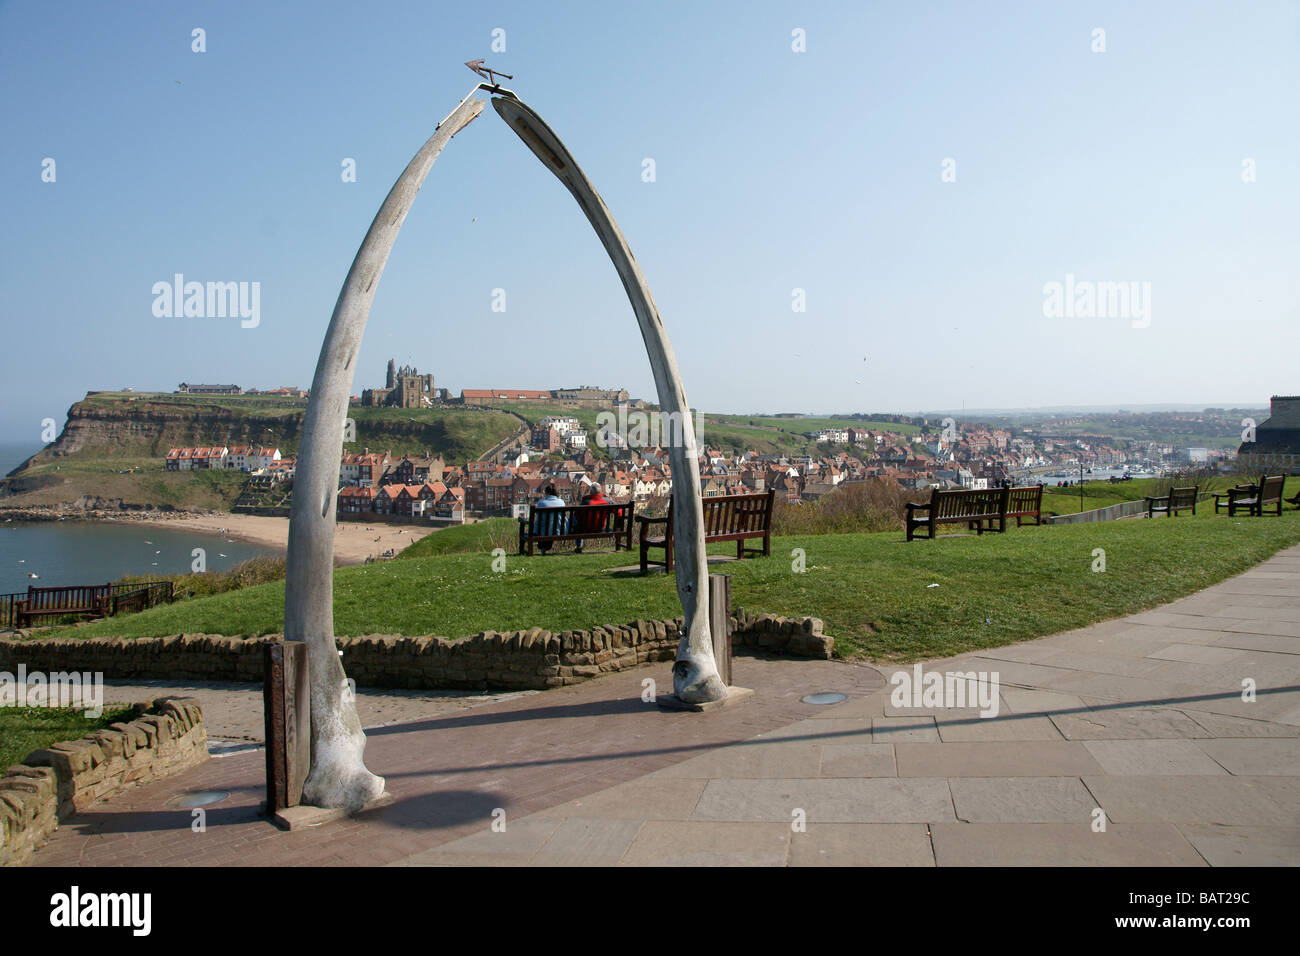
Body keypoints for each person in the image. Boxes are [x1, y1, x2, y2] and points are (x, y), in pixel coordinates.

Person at [573, 486, 610, 553]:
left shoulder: (586, 502)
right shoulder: (607, 501)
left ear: (591, 492)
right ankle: (618, 546)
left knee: (577, 524)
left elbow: (576, 515)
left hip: (586, 529)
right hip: (600, 528)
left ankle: (579, 546)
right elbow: (619, 512)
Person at [533, 484, 567, 554]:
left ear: (547, 493)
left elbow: (538, 518)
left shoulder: (541, 503)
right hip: (558, 531)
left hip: (543, 532)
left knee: (545, 527)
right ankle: (544, 548)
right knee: (550, 528)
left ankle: (543, 548)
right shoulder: (561, 502)